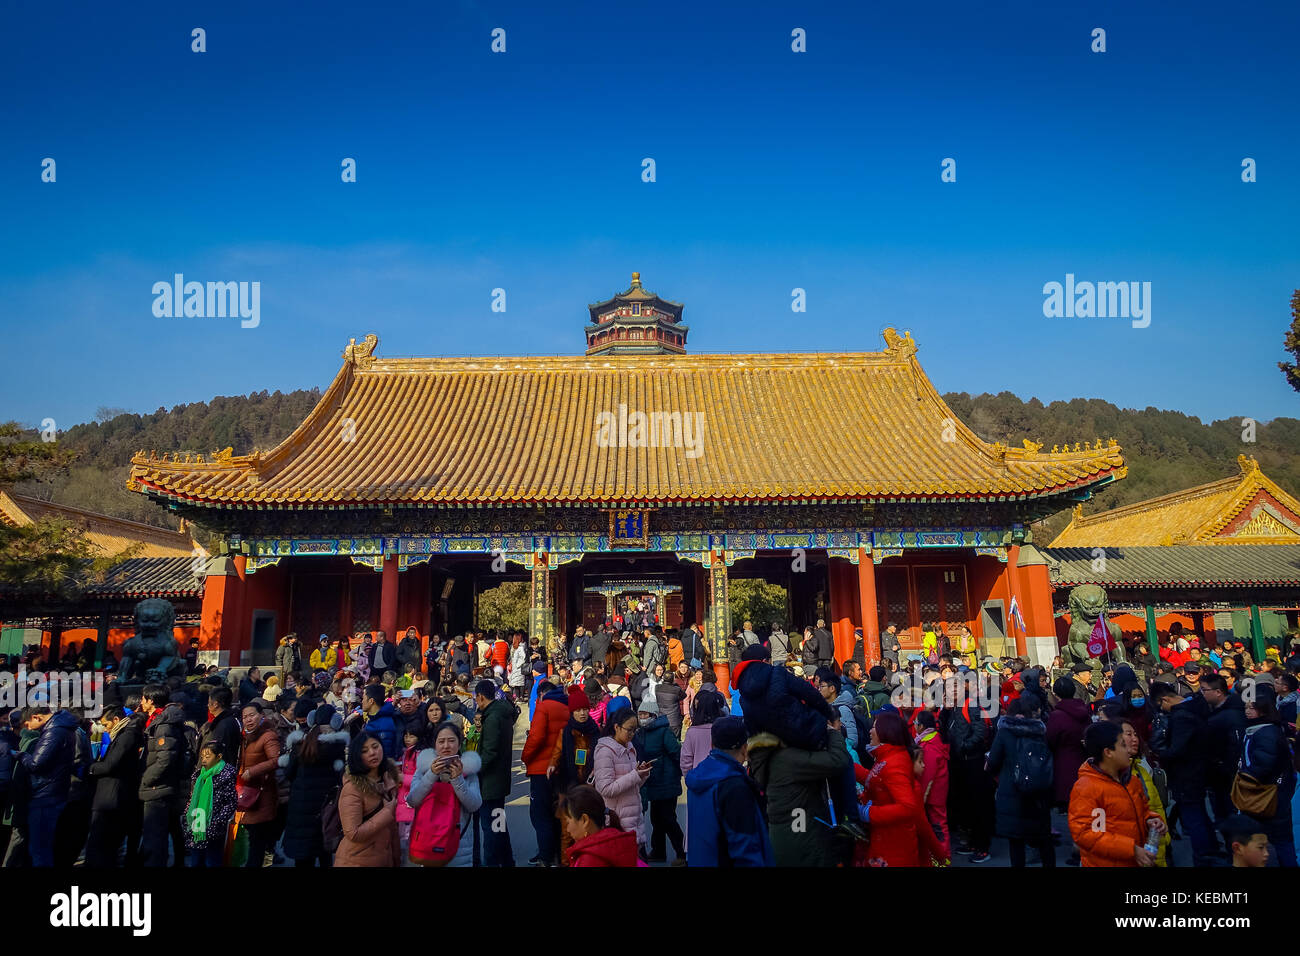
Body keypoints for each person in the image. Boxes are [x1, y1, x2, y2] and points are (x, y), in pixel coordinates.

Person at [748, 710, 854, 866]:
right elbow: (837, 760)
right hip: (800, 839)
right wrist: (832, 732)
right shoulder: (787, 758)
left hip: (790, 833)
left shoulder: (773, 754)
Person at [1068, 721, 1166, 867]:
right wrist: (1131, 849)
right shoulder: (1088, 788)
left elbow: (1143, 811)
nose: (1128, 750)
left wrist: (1150, 820)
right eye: (1123, 745)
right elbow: (1086, 834)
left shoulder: (1132, 780)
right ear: (1108, 752)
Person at [684, 715, 772, 867]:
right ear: (745, 748)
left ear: (712, 744)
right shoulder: (734, 786)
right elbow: (745, 846)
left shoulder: (698, 777)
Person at [1149, 681, 1215, 865]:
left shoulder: (1181, 717)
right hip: (1199, 769)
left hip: (1187, 773)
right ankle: (1210, 849)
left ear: (1165, 699)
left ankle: (1203, 855)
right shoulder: (1198, 706)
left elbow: (1177, 748)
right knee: (1200, 813)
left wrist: (1163, 754)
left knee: (1193, 817)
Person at [986, 697, 1055, 867]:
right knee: (1044, 839)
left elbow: (993, 762)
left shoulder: (1004, 732)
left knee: (1016, 844)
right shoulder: (1040, 731)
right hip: (1039, 793)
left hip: (1012, 792)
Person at [1235, 684, 1297, 867]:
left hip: (1270, 795)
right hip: (1269, 795)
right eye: (1246, 706)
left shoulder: (1266, 732)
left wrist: (1244, 778)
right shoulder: (1257, 729)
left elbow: (1263, 766)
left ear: (1263, 708)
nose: (1247, 711)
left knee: (1280, 840)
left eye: (1252, 707)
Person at [406, 721, 482, 867]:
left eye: (451, 741)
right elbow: (412, 800)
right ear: (435, 744)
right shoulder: (423, 768)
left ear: (459, 744)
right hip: (428, 843)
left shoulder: (468, 769)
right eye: (441, 741)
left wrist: (457, 779)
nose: (446, 746)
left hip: (459, 845)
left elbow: (475, 805)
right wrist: (432, 774)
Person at [279, 704, 347, 867]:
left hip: (300, 807)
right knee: (324, 852)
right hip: (325, 807)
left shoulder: (300, 741)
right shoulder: (337, 745)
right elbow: (340, 776)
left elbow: (289, 772)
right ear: (335, 721)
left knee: (303, 857)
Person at [733, 644, 834, 751]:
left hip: (771, 749)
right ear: (765, 660)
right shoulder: (777, 673)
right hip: (805, 735)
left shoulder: (743, 692)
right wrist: (830, 715)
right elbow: (809, 693)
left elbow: (751, 727)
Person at [138, 685, 193, 867]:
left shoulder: (163, 725)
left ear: (151, 701)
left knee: (154, 838)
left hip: (157, 787)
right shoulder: (158, 721)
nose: (141, 702)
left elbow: (165, 758)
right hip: (160, 786)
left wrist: (147, 779)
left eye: (144, 699)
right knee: (161, 834)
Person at [83, 706, 145, 867]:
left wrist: (89, 769)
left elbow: (111, 765)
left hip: (111, 796)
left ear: (116, 720)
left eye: (106, 724)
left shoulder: (126, 736)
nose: (104, 728)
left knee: (101, 841)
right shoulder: (125, 734)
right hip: (114, 794)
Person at [17, 707, 78, 867]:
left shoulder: (54, 732)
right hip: (56, 791)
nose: (28, 729)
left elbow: (36, 764)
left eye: (28, 725)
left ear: (36, 717)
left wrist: (21, 755)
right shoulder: (63, 727)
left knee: (39, 848)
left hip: (45, 794)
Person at [333, 732, 401, 867]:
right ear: (357, 756)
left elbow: (392, 829)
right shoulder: (353, 788)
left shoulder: (388, 779)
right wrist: (387, 812)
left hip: (384, 857)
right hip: (357, 860)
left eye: (375, 747)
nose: (372, 753)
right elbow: (353, 833)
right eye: (365, 751)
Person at [633, 695, 685, 865]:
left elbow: (676, 753)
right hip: (652, 782)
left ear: (654, 715)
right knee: (656, 818)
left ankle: (681, 851)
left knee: (668, 818)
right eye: (640, 715)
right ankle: (658, 850)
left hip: (666, 780)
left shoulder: (664, 731)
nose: (642, 718)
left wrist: (678, 772)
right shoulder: (640, 733)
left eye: (645, 715)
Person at [522, 680, 570, 866]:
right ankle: (559, 854)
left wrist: (525, 757)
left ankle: (545, 856)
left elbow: (536, 737)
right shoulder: (566, 708)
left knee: (541, 815)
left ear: (542, 694)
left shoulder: (544, 707)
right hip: (561, 769)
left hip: (541, 769)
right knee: (558, 813)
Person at [593, 707, 651, 855]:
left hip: (634, 819)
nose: (632, 734)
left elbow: (633, 785)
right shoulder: (605, 751)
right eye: (629, 730)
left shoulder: (630, 748)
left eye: (635, 730)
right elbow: (605, 788)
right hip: (617, 820)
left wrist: (642, 775)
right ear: (616, 727)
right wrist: (634, 776)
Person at [475, 679, 516, 866]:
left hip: (490, 782)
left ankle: (491, 862)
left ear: (481, 697)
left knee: (490, 827)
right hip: (500, 779)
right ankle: (507, 860)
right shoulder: (503, 712)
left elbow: (489, 752)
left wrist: (474, 769)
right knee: (498, 823)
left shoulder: (492, 718)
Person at [236, 701, 281, 867]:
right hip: (244, 793)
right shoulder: (242, 737)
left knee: (257, 840)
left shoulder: (268, 736)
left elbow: (276, 760)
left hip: (261, 795)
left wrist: (252, 771)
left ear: (261, 715)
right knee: (251, 837)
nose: (248, 720)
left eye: (252, 715)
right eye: (245, 717)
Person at [1201, 671, 1246, 826]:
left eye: (1204, 690)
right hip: (1219, 775)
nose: (1202, 693)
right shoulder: (1213, 711)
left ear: (1218, 692)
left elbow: (1236, 744)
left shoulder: (1232, 714)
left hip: (1228, 776)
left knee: (1230, 815)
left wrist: (1225, 767)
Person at [184, 740, 237, 867]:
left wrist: (217, 821)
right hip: (196, 824)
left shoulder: (226, 775)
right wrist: (187, 815)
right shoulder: (199, 775)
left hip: (213, 826)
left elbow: (231, 802)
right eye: (202, 757)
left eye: (208, 757)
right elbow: (192, 799)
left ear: (219, 757)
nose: (204, 760)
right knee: (196, 860)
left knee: (212, 860)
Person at [558, 784, 639, 867]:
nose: (567, 829)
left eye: (568, 822)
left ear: (585, 820)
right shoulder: (615, 840)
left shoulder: (589, 859)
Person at [1045, 676, 1090, 810]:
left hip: (1063, 763)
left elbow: (1050, 739)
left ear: (1056, 694)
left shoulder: (1057, 715)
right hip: (1083, 761)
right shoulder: (1084, 711)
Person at [914, 709, 950, 859]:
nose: (914, 726)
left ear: (921, 726)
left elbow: (927, 775)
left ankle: (943, 857)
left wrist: (921, 797)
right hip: (936, 792)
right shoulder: (931, 739)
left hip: (934, 794)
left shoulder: (929, 745)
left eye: (916, 723)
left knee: (938, 826)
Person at [199, 686, 242, 765]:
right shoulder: (231, 720)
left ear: (215, 704)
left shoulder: (221, 725)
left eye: (209, 702)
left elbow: (212, 753)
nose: (207, 705)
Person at [360, 686, 401, 761]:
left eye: (363, 698)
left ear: (371, 701)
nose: (362, 701)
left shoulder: (385, 724)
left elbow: (385, 755)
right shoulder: (373, 719)